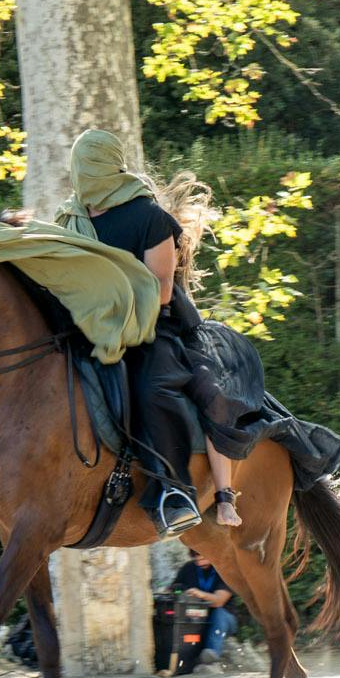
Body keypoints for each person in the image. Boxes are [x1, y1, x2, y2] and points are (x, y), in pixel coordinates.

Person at [52, 130, 243, 532]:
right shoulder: (67, 220)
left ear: (107, 165)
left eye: (89, 164)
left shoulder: (151, 218)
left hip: (149, 328)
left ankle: (174, 491)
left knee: (152, 387)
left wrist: (109, 308)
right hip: (86, 325)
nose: (82, 173)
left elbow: (160, 288)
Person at [167, 552, 236, 671]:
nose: (200, 562)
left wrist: (200, 594)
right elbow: (172, 589)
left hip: (225, 618)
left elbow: (219, 601)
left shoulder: (224, 570)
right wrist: (179, 592)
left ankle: (211, 659)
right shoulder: (188, 568)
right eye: (196, 559)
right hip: (197, 618)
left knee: (218, 613)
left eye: (204, 558)